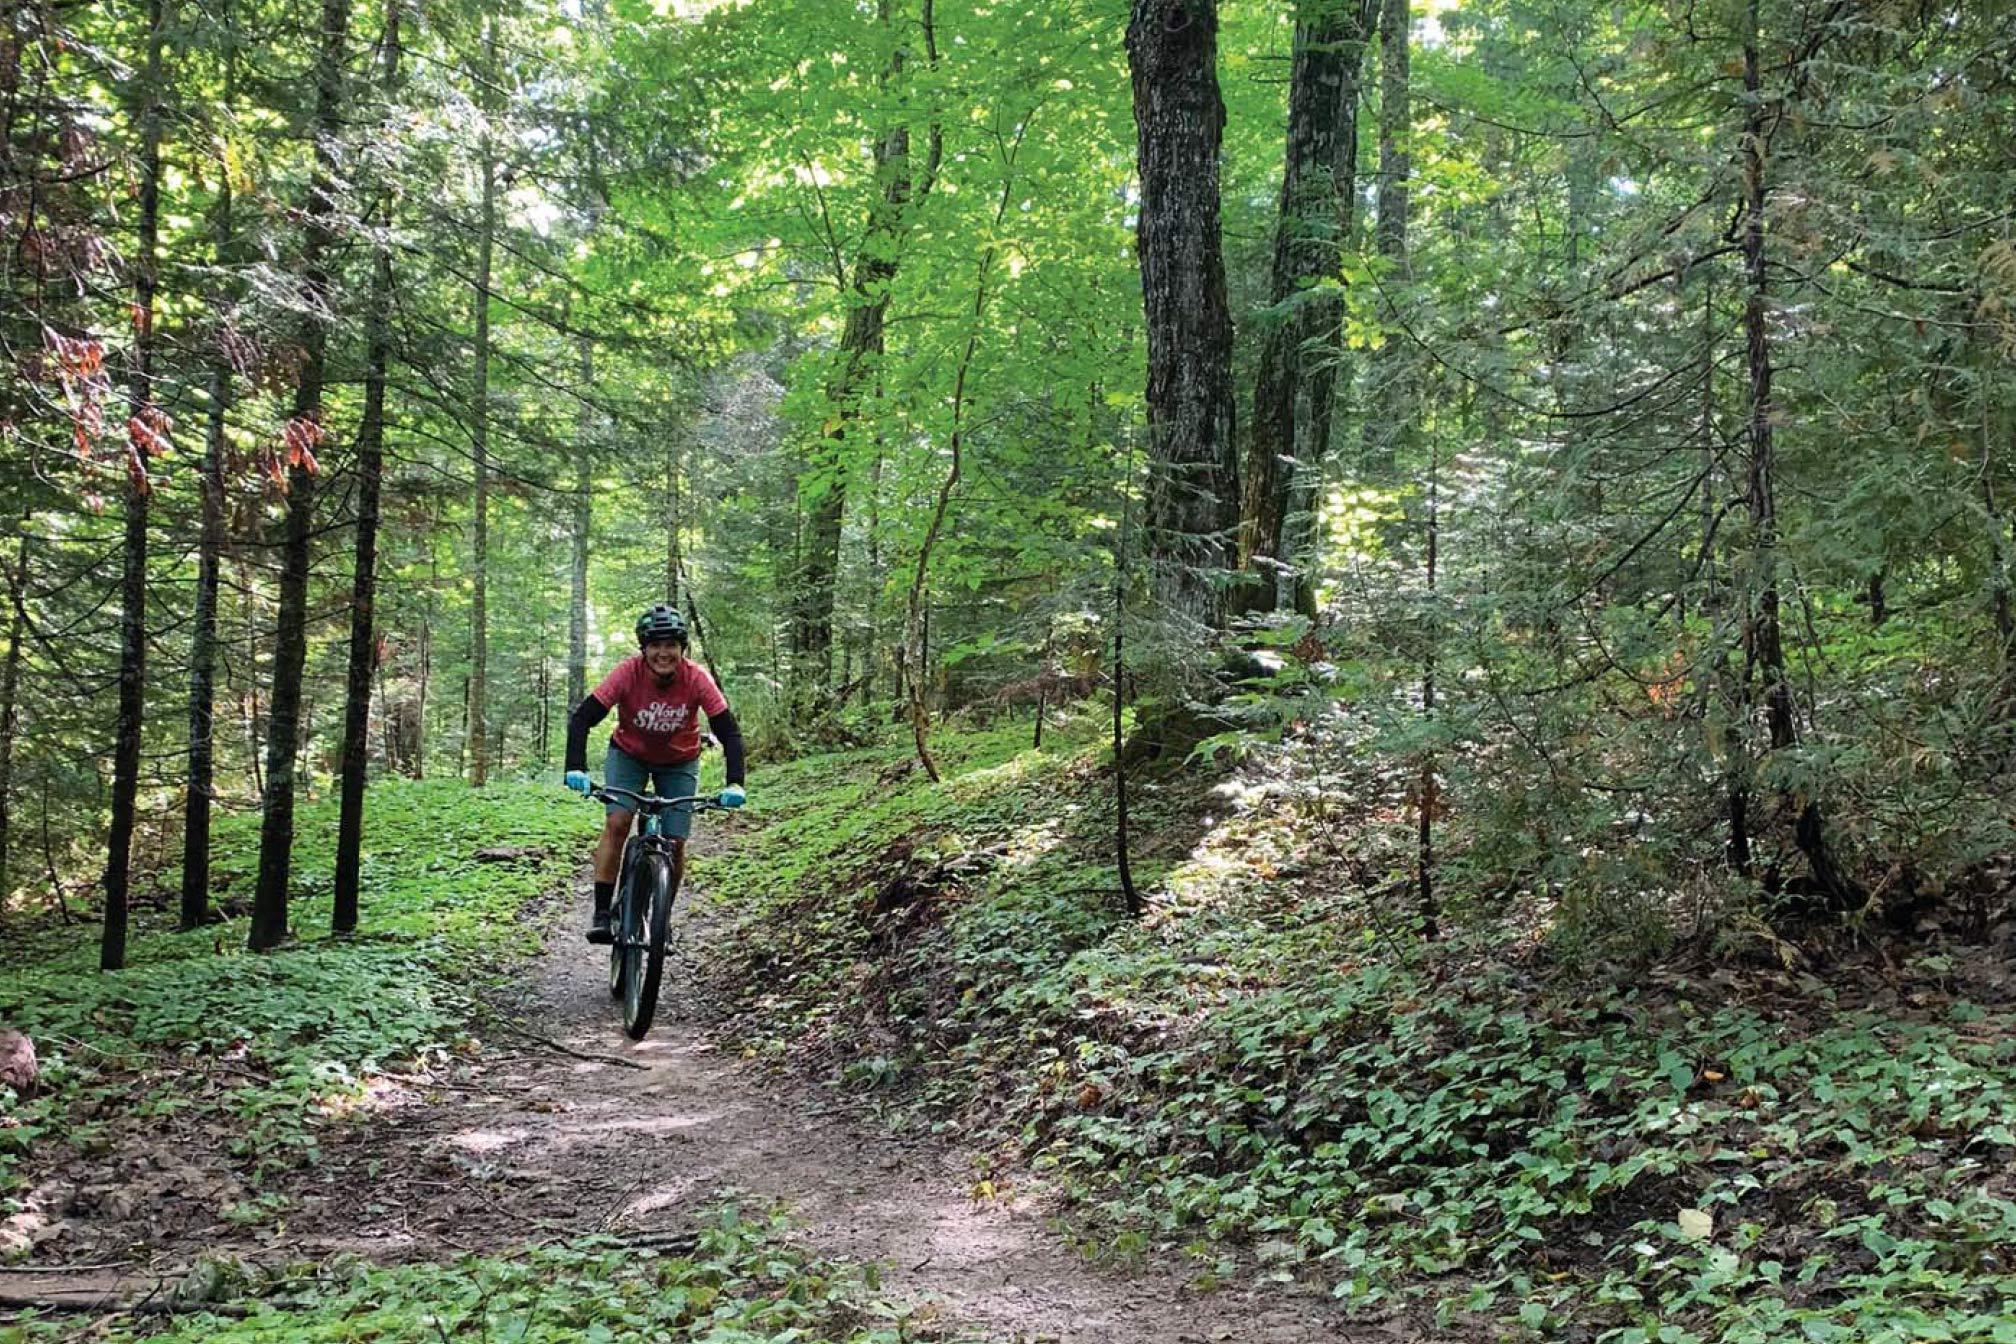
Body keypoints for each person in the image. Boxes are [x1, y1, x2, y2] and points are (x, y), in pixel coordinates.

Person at [563, 603, 746, 943]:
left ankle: (662, 920)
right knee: (618, 822)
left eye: (671, 645)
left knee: (675, 842)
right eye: (655, 645)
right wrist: (575, 767)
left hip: (679, 761)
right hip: (628, 755)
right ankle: (603, 913)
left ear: (682, 648)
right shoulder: (626, 674)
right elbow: (583, 718)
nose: (664, 653)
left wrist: (735, 782)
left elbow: (729, 732)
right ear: (644, 648)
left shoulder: (697, 678)